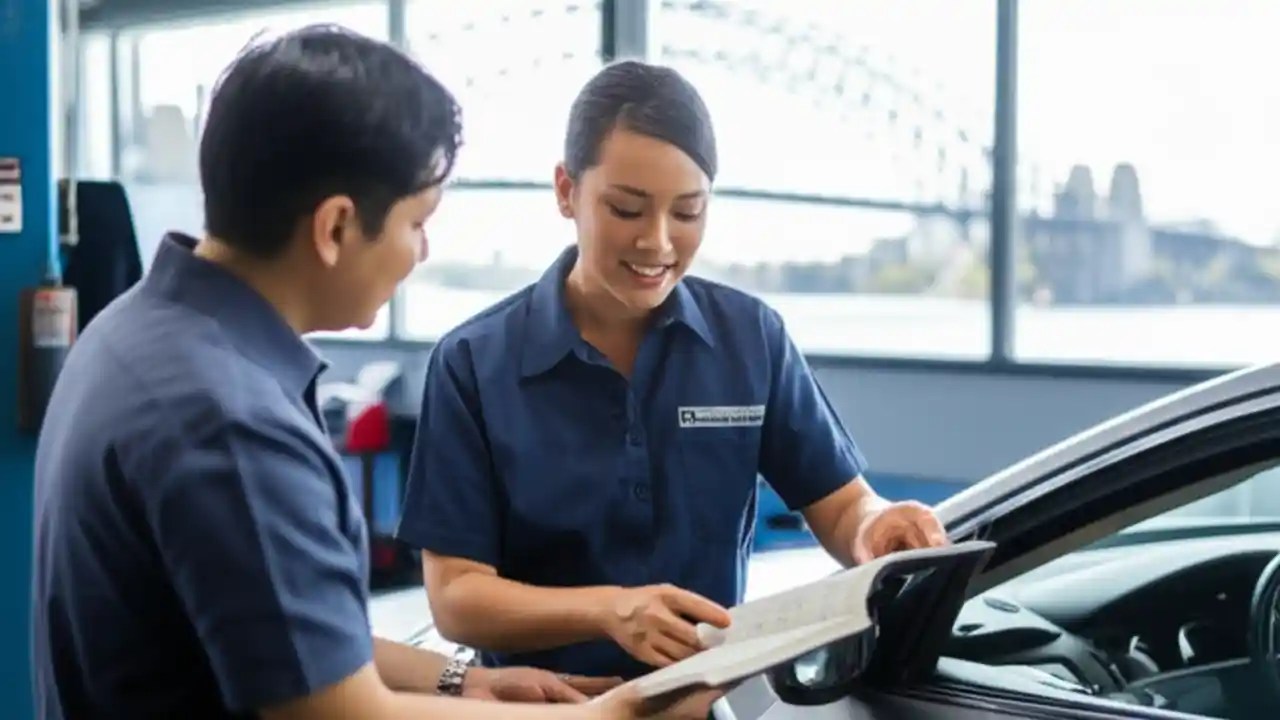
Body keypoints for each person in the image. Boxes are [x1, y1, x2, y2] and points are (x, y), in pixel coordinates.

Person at [30, 26, 719, 720]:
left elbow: (284, 629)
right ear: (335, 229)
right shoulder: (231, 425)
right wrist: (606, 716)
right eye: (416, 222)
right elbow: (340, 711)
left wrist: (463, 683)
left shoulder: (132, 332)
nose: (421, 251)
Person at [396, 59, 950, 683]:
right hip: (546, 709)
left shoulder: (751, 339)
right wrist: (609, 612)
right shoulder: (473, 362)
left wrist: (878, 526)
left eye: (687, 214)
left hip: (702, 704)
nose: (658, 243)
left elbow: (845, 508)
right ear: (565, 191)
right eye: (627, 210)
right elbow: (456, 597)